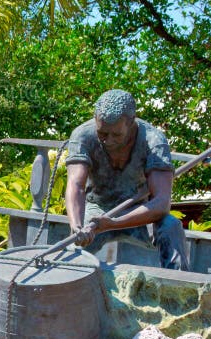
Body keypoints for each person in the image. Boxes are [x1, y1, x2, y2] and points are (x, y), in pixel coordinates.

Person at [64, 89, 190, 270]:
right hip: (97, 211)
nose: (108, 140)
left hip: (139, 213)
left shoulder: (154, 140)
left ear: (131, 123)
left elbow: (162, 203)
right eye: (102, 133)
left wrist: (114, 223)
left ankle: (178, 288)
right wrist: (77, 227)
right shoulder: (82, 136)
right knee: (72, 252)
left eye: (116, 135)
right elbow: (76, 185)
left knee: (171, 226)